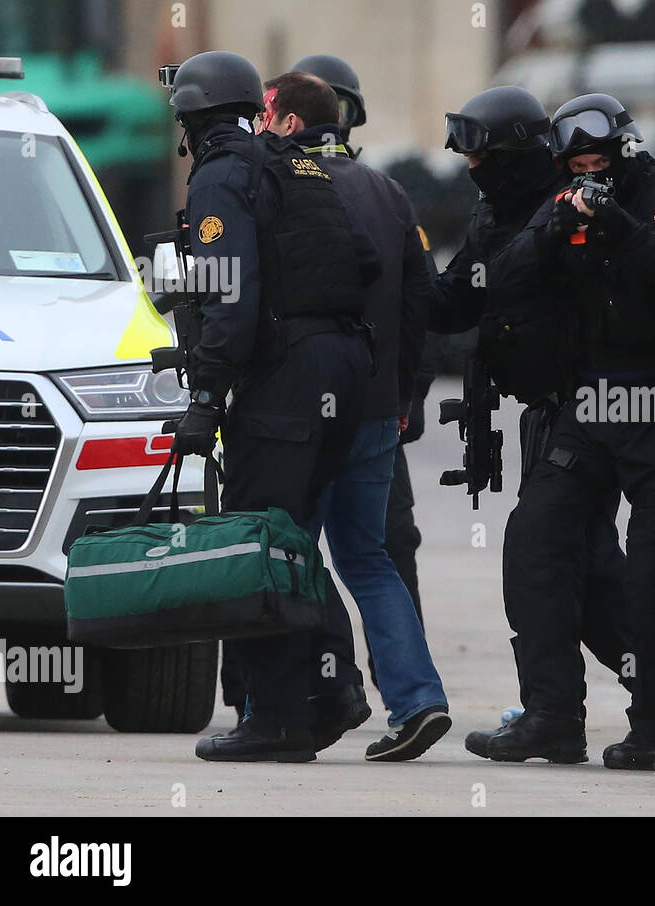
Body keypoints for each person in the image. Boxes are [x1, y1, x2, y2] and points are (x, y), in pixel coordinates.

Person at [431, 87, 655, 763]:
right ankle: (553, 712)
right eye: (575, 165)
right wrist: (558, 224)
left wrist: (622, 229)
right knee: (536, 545)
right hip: (585, 407)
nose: (588, 175)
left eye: (596, 161)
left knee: (651, 577)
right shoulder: (558, 201)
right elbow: (504, 275)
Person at [165, 50, 376, 763]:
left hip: (286, 378)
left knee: (255, 542)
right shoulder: (292, 163)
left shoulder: (224, 178)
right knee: (291, 538)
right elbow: (362, 264)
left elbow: (233, 297)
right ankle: (333, 689)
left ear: (194, 118)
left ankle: (278, 719)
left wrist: (205, 396)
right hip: (340, 368)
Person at [261, 70, 450, 762]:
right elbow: (421, 302)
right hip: (374, 409)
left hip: (304, 407)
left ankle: (305, 701)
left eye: (264, 110)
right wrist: (402, 396)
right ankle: (419, 698)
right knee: (369, 558)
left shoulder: (281, 181)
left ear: (285, 118)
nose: (257, 122)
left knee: (288, 553)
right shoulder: (390, 191)